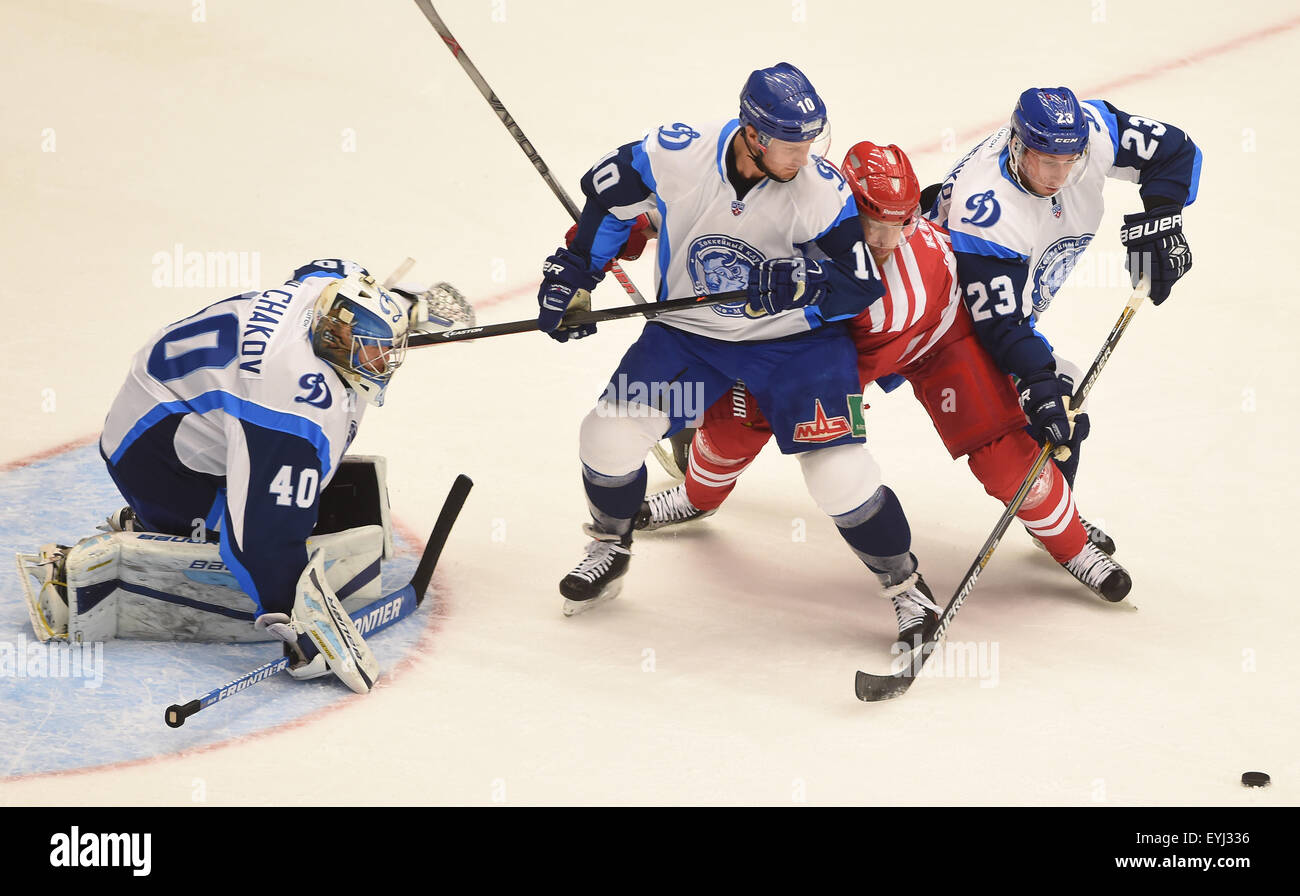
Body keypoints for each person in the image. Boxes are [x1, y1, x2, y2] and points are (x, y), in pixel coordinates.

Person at [537, 63, 944, 646]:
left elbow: (858, 286)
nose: (804, 155)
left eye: (811, 140)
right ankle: (609, 542)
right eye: (790, 143)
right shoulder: (680, 152)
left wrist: (804, 281)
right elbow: (608, 194)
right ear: (753, 133)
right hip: (691, 335)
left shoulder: (821, 191)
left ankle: (907, 590)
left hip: (797, 347)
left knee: (838, 475)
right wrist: (575, 269)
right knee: (606, 436)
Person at [637, 142, 1132, 602]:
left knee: (1003, 455)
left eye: (900, 224)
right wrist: (645, 222)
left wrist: (1037, 375)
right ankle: (698, 497)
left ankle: (1070, 545)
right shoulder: (802, 207)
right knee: (735, 426)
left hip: (941, 340)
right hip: (843, 346)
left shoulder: (905, 284)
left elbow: (844, 368)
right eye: (871, 222)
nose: (884, 242)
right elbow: (717, 212)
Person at [28, 260, 470, 692]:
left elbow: (323, 266)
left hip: (177, 406)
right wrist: (300, 626)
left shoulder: (327, 291)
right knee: (257, 542)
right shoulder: (295, 403)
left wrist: (403, 306)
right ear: (334, 338)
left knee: (302, 490)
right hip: (155, 456)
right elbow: (261, 539)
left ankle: (179, 513)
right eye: (373, 350)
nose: (384, 363)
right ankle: (153, 527)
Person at [925, 86, 1201, 551]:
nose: (1058, 174)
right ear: (1016, 144)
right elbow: (999, 324)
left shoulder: (1092, 133)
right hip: (938, 309)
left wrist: (1162, 218)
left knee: (1065, 399)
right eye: (1045, 161)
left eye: (1068, 160)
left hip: (1000, 300)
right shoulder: (985, 206)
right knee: (837, 384)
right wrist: (1035, 377)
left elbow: (1175, 151)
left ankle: (1058, 521)